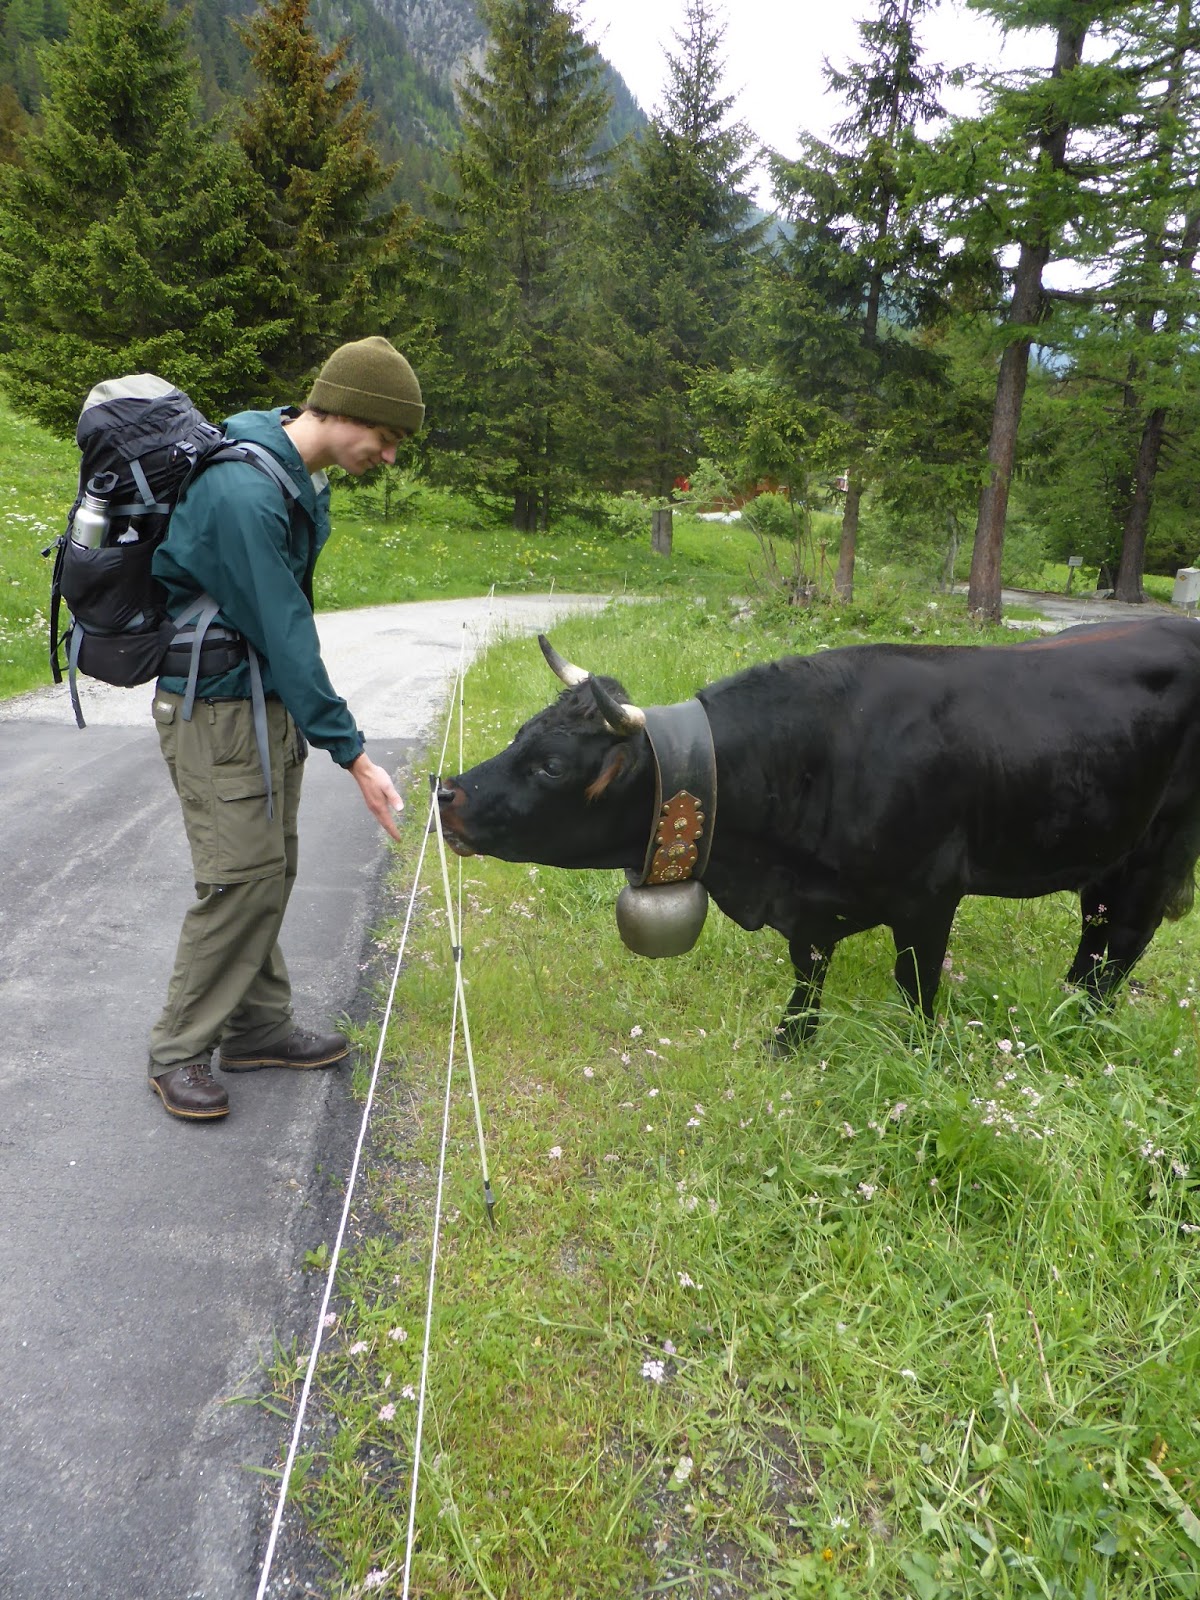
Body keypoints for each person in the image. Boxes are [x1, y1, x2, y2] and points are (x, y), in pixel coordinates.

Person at [146, 336, 424, 1121]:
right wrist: (355, 753)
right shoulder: (245, 492)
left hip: (254, 702)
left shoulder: (289, 473)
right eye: (388, 436)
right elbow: (286, 626)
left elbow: (281, 628)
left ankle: (257, 1026)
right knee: (238, 878)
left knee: (269, 864)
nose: (390, 456)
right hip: (217, 708)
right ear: (344, 411)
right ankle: (177, 1052)